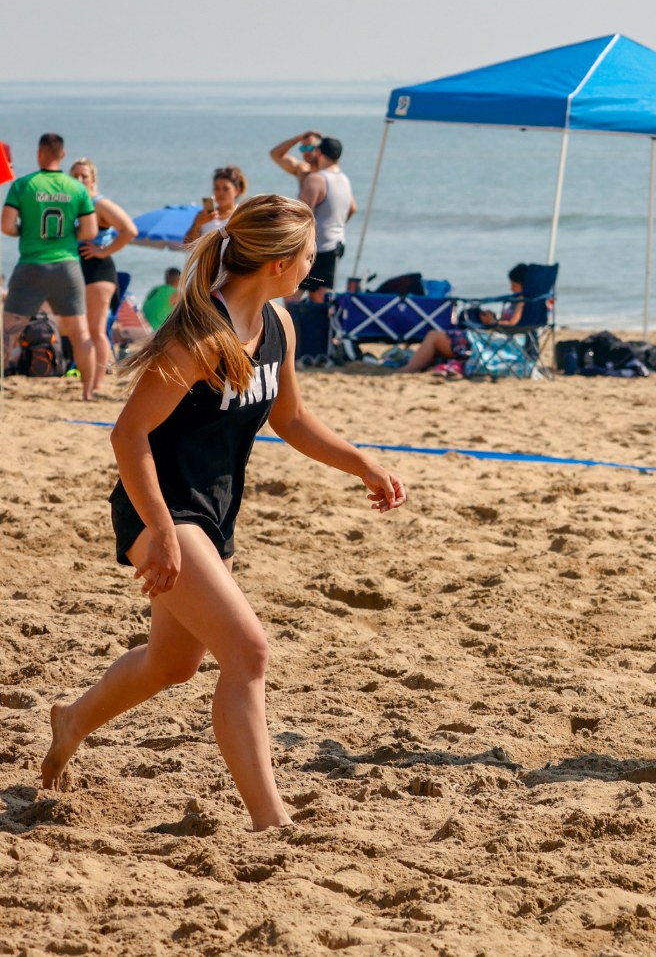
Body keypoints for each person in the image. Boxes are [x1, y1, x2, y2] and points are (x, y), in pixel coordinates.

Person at [39, 195, 406, 830]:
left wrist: (361, 464)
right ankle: (272, 820)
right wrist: (159, 529)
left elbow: (289, 419)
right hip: (159, 505)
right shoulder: (198, 336)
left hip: (213, 510)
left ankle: (72, 718)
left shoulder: (277, 324)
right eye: (310, 258)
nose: (313, 268)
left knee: (171, 664)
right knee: (249, 653)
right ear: (279, 262)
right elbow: (128, 436)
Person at [2, 134, 99, 398]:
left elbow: (7, 226)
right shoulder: (77, 188)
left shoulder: (23, 185)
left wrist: (25, 231)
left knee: (9, 331)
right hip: (67, 265)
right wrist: (68, 236)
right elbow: (90, 231)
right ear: (63, 155)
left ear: (39, 153)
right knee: (80, 332)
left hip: (31, 265)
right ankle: (88, 391)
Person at [70, 159, 140, 397]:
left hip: (99, 269)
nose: (79, 180)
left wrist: (104, 250)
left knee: (96, 330)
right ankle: (88, 380)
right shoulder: (74, 204)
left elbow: (129, 229)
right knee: (80, 330)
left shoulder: (99, 204)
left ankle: (98, 383)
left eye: (84, 176)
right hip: (77, 270)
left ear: (93, 179)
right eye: (75, 175)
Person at [396, 265, 526, 374]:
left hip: (497, 344)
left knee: (433, 336)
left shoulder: (522, 301)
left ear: (522, 284)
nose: (511, 288)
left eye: (514, 285)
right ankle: (416, 366)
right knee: (438, 335)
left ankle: (410, 369)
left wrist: (492, 323)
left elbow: (512, 325)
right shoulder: (523, 301)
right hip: (496, 339)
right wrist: (492, 318)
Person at [271, 133, 354, 303]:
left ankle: (294, 327)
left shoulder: (318, 177)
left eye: (311, 147)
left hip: (317, 245)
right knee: (316, 296)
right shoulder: (305, 170)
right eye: (303, 148)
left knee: (299, 296)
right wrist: (298, 137)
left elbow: (303, 215)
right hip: (330, 245)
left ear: (319, 151)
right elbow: (275, 154)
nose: (306, 152)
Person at [182, 167, 247, 246]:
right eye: (217, 188)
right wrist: (197, 225)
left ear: (237, 190)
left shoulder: (241, 215)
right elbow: (187, 245)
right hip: (207, 258)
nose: (220, 192)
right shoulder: (204, 215)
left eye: (226, 189)